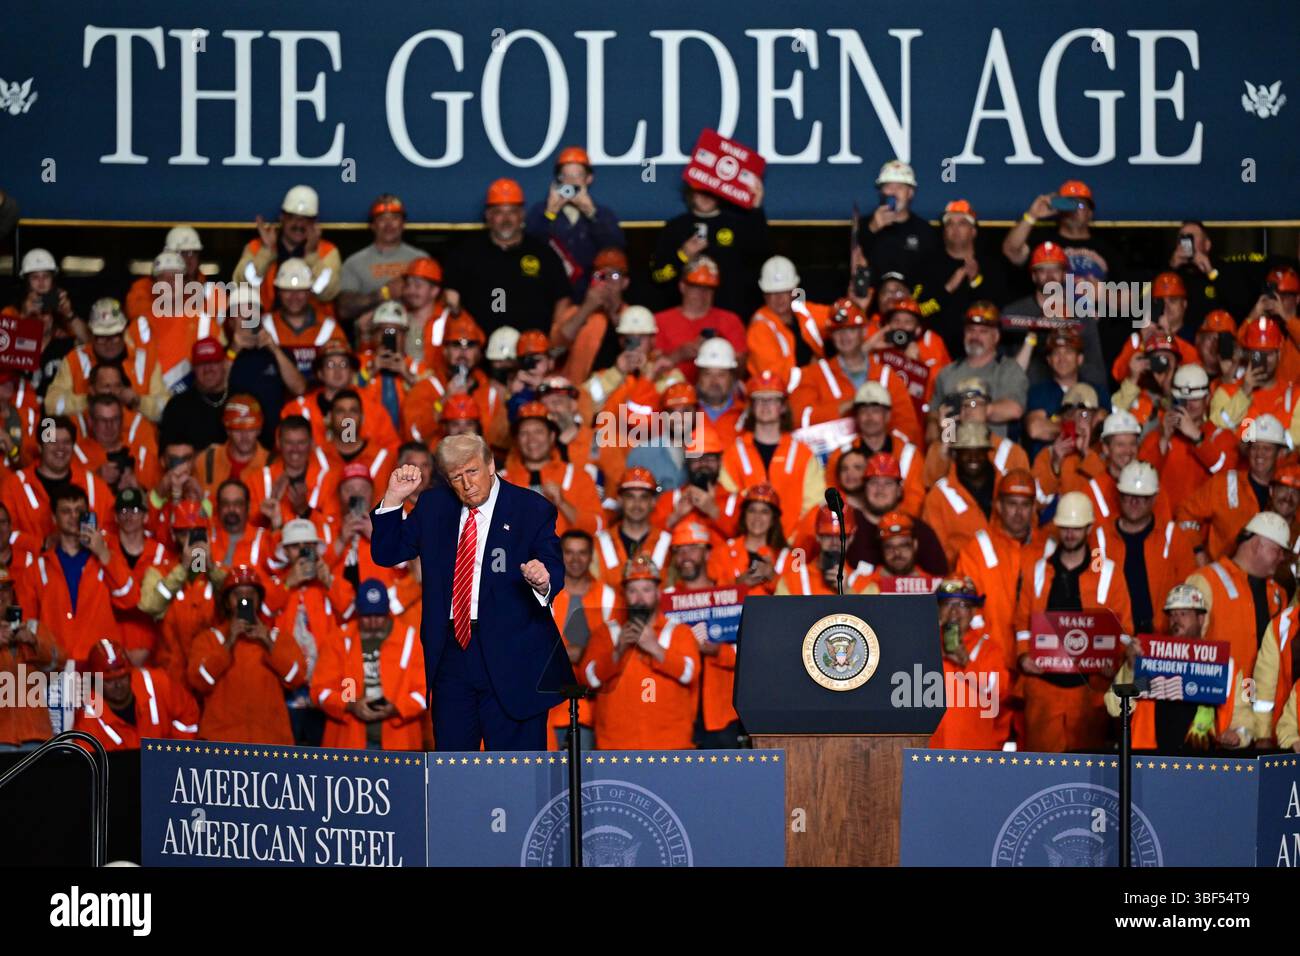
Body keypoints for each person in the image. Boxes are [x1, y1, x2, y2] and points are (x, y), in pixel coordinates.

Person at [370, 434, 574, 751]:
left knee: (515, 772)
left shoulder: (530, 508)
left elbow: (551, 562)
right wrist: (394, 499)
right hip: (452, 655)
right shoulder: (434, 506)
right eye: (456, 477)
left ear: (491, 465)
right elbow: (387, 552)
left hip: (513, 656)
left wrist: (543, 579)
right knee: (453, 766)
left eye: (472, 472)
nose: (466, 485)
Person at [1014, 491, 1133, 753]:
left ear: (1089, 528)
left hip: (1089, 690)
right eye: (1065, 527)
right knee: (1042, 772)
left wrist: (1112, 661)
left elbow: (1124, 628)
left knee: (1085, 774)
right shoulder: (1037, 569)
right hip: (1043, 688)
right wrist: (1023, 657)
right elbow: (1022, 622)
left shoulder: (1108, 572)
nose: (1069, 534)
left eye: (1076, 528)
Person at [1107, 585, 1252, 754]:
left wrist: (1238, 736)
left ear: (1201, 619)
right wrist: (1131, 669)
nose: (1176, 620)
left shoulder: (1225, 665)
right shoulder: (1147, 658)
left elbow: (1245, 718)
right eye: (1172, 614)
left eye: (1183, 614)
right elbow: (1114, 706)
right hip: (1149, 762)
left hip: (1204, 763)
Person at [579, 554, 701, 750]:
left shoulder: (678, 631)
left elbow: (690, 673)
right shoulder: (607, 632)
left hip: (672, 746)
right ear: (624, 595)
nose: (639, 598)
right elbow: (589, 679)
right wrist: (618, 651)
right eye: (633, 590)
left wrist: (655, 648)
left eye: (646, 590)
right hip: (616, 746)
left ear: (658, 593)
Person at [16, 485, 138, 665]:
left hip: (102, 667)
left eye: (79, 511)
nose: (73, 517)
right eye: (66, 511)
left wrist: (103, 553)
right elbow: (27, 626)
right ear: (53, 518)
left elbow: (130, 598)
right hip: (56, 669)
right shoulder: (37, 568)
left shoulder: (106, 557)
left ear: (88, 514)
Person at [188, 564, 306, 745]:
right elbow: (199, 682)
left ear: (259, 599)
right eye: (237, 595)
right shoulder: (210, 639)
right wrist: (229, 643)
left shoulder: (277, 637)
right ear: (227, 601)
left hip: (270, 744)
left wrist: (268, 643)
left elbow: (296, 677)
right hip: (222, 744)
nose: (245, 600)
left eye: (251, 595)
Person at [443, 178, 574, 335]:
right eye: (499, 212)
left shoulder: (543, 253)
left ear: (522, 215)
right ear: (488, 216)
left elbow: (563, 297)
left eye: (512, 212)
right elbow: (450, 296)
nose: (506, 219)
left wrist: (554, 335)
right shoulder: (467, 253)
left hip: (531, 349)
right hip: (479, 350)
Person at [311, 578, 428, 751]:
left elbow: (425, 692)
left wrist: (396, 708)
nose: (373, 622)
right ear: (357, 611)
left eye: (379, 615)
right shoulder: (339, 640)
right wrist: (350, 705)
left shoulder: (409, 640)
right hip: (349, 742)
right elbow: (320, 691)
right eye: (367, 616)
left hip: (399, 743)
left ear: (388, 611)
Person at [650, 183, 769, 319]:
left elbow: (761, 257)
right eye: (700, 190)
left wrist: (756, 208)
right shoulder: (675, 228)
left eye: (711, 191)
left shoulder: (738, 224)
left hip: (730, 318)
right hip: (686, 320)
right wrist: (683, 255)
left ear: (721, 191)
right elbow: (658, 277)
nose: (705, 196)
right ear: (690, 193)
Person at [45, 297, 168, 422]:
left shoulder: (146, 360)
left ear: (124, 332)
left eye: (114, 336)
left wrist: (138, 401)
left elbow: (165, 408)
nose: (109, 344)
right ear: (92, 334)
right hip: (88, 438)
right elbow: (52, 405)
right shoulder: (75, 359)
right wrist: (88, 400)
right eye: (102, 337)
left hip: (138, 438)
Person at [526, 145, 625, 298]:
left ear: (588, 179)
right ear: (558, 179)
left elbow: (615, 249)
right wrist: (550, 213)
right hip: (550, 291)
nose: (571, 181)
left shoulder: (602, 214)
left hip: (591, 293)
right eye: (565, 176)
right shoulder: (540, 211)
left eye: (577, 175)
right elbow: (530, 248)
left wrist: (591, 212)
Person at [928, 577, 1011, 750]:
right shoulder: (923, 643)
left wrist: (967, 663)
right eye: (948, 604)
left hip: (974, 752)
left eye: (963, 606)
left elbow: (1000, 691)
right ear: (937, 609)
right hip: (931, 751)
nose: (954, 613)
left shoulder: (988, 648)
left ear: (974, 612)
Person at [74, 637, 198, 751]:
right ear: (96, 682)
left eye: (122, 677)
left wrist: (177, 751)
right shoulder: (87, 720)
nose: (118, 685)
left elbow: (188, 711)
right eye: (109, 680)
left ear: (130, 673)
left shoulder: (158, 683)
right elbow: (92, 766)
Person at [233, 185, 342, 314]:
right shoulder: (256, 247)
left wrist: (312, 256)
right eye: (292, 217)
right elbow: (242, 287)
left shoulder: (328, 251)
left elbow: (327, 293)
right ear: (282, 218)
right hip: (267, 327)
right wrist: (266, 252)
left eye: (306, 219)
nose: (299, 224)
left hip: (315, 330)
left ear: (315, 223)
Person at [929, 304, 1028, 440]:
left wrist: (976, 410)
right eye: (971, 330)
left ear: (996, 336)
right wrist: (938, 428)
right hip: (953, 452)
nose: (975, 336)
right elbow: (932, 421)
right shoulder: (947, 372)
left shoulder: (1008, 368)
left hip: (995, 453)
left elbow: (1014, 410)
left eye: (983, 331)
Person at [857, 160, 944, 301]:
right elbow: (852, 264)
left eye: (899, 187)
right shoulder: (863, 225)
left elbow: (932, 276)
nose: (893, 192)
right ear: (881, 192)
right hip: (871, 307)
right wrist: (871, 230)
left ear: (910, 193)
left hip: (912, 309)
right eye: (888, 186)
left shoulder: (925, 231)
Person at [653, 256, 748, 382]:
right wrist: (678, 355)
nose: (703, 293)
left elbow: (741, 370)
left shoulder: (730, 320)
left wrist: (717, 349)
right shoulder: (659, 321)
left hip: (717, 393)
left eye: (708, 287)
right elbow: (648, 370)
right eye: (696, 286)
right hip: (671, 393)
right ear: (682, 286)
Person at [337, 194, 425, 325]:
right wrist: (384, 293)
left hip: (414, 337)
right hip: (369, 337)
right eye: (382, 219)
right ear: (372, 225)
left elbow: (434, 305)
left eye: (395, 218)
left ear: (403, 223)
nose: (389, 225)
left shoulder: (421, 260)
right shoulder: (354, 263)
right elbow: (343, 309)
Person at [0, 565, 61, 751]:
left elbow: (59, 662)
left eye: (5, 589)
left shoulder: (33, 627)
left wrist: (34, 643)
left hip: (36, 734)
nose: (2, 596)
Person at [746, 255, 828, 381]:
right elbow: (777, 378)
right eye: (773, 292)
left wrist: (857, 304)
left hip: (813, 387)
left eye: (784, 291)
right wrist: (815, 370)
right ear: (764, 295)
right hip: (778, 397)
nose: (779, 298)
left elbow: (839, 317)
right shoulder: (759, 328)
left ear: (793, 291)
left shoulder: (803, 312)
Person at [158, 338, 231, 451]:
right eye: (202, 363)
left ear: (224, 364)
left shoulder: (239, 399)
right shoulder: (177, 407)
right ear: (193, 367)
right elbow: (168, 456)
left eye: (213, 362)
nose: (208, 369)